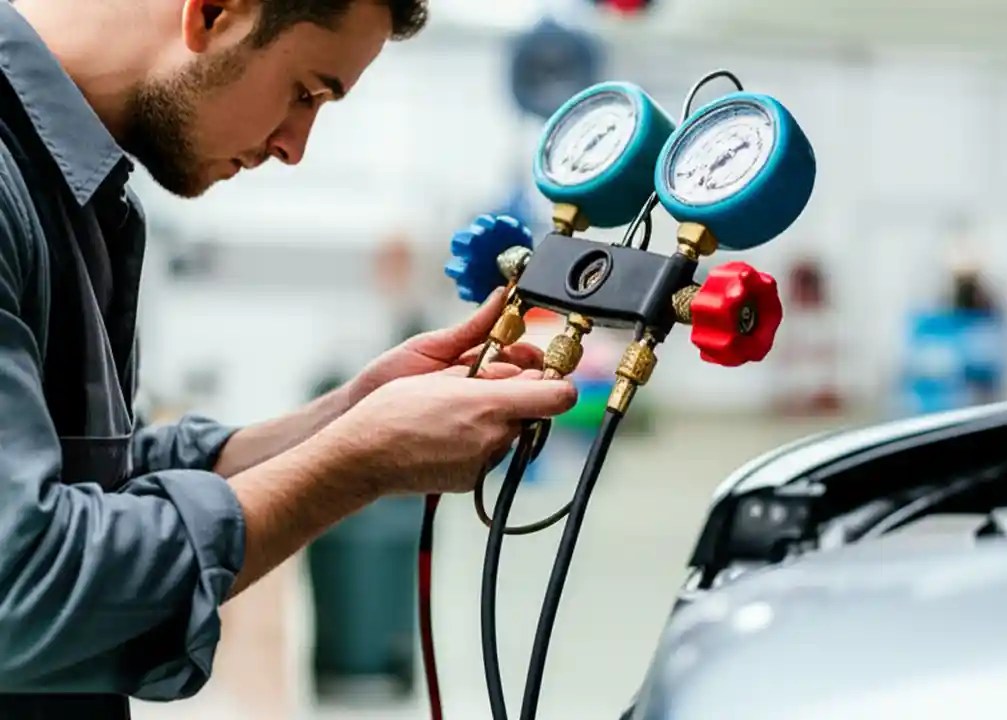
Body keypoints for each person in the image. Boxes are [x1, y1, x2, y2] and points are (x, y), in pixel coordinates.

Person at [0, 0, 577, 717]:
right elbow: (20, 591)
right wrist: (360, 461)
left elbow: (97, 485)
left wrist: (348, 414)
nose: (294, 145)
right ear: (213, 13)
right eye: (307, 91)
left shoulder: (73, 193)